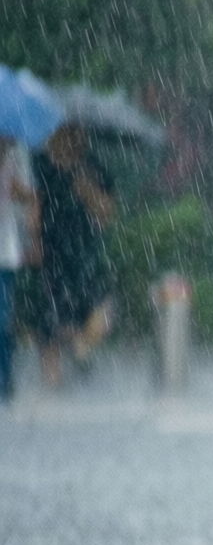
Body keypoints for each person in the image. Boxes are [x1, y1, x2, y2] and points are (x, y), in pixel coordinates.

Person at [30, 123, 115, 388]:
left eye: (77, 133)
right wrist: (33, 240)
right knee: (49, 326)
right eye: (65, 133)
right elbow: (32, 204)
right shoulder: (41, 165)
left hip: (84, 254)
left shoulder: (92, 166)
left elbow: (107, 212)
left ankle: (78, 342)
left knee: (100, 312)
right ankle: (51, 387)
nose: (72, 139)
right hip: (50, 253)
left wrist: (86, 188)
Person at [0, 136, 40, 401]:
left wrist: (17, 190)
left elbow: (31, 197)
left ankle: (5, 379)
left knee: (3, 317)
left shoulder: (18, 153)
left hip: (5, 251)